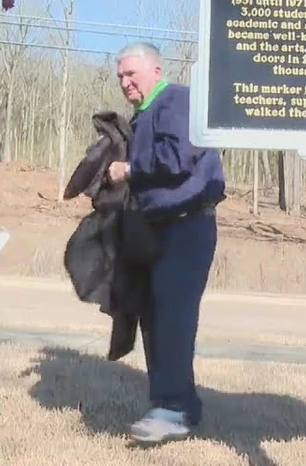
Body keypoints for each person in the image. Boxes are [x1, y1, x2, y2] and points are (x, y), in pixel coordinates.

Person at [104, 43, 226, 444]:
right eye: (120, 76)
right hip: (161, 227)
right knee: (155, 316)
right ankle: (172, 405)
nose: (125, 83)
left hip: (186, 227)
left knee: (172, 317)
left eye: (131, 74)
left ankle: (175, 407)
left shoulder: (176, 100)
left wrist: (129, 168)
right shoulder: (147, 114)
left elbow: (177, 158)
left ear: (156, 70)